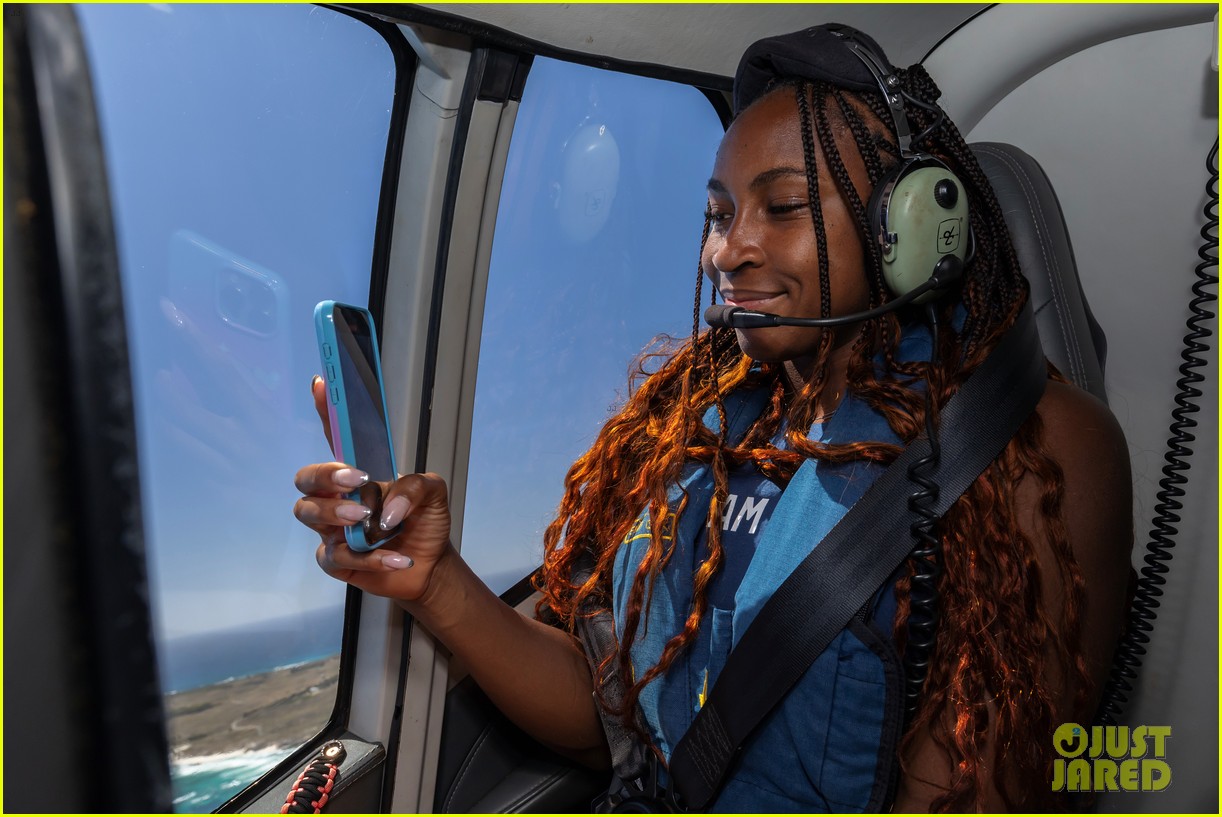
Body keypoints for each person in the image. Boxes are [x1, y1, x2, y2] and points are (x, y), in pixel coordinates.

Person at [293, 24, 1133, 812]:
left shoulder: (1036, 449)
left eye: (783, 206)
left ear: (905, 227)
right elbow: (610, 723)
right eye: (721, 213)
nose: (727, 250)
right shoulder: (694, 419)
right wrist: (436, 581)